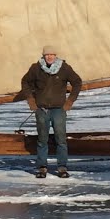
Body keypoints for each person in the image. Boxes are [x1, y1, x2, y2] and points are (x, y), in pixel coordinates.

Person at [20, 44, 82, 178]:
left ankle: (62, 167)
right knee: (42, 140)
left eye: (52, 54)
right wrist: (31, 101)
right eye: (47, 55)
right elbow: (25, 82)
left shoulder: (64, 68)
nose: (49, 57)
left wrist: (69, 101)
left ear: (56, 56)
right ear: (43, 56)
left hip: (59, 110)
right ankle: (42, 168)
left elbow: (77, 82)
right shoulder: (36, 68)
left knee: (61, 139)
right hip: (42, 110)